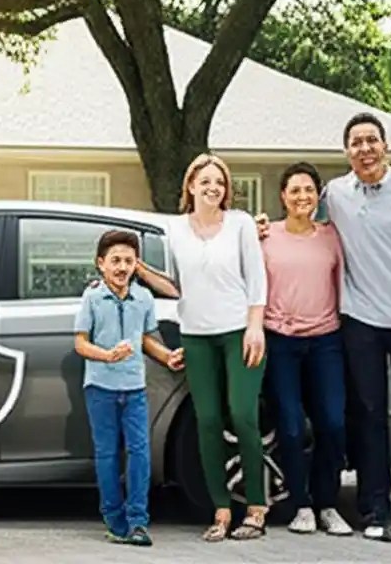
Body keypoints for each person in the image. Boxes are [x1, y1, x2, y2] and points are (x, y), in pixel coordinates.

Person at [316, 113, 391, 543]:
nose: (365, 149)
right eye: (356, 142)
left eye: (372, 140)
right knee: (367, 416)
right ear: (347, 151)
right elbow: (304, 227)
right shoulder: (334, 194)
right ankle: (374, 509)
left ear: (385, 146)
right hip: (359, 321)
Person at [166, 153, 269, 542]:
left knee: (242, 414)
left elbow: (256, 278)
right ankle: (222, 510)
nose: (213, 188)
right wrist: (135, 273)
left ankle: (256, 507)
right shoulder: (173, 229)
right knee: (207, 421)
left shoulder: (241, 224)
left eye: (220, 183)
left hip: (239, 333)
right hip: (196, 336)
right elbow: (173, 283)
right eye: (205, 181)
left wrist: (255, 327)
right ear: (190, 186)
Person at [258, 162, 353, 536]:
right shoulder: (265, 236)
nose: (302, 197)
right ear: (283, 195)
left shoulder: (331, 236)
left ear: (318, 195)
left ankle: (327, 503)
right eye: (294, 190)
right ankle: (301, 506)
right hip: (280, 340)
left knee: (332, 422)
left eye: (309, 190)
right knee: (292, 427)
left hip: (326, 340)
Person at [74, 230, 184, 547]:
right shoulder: (92, 297)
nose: (122, 267)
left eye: (128, 260)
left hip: (134, 388)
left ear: (136, 264)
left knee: (140, 453)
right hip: (100, 387)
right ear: (101, 264)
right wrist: (106, 355)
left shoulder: (143, 298)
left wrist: (167, 356)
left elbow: (145, 338)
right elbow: (80, 342)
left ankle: (138, 520)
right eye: (115, 261)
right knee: (107, 454)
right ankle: (114, 519)